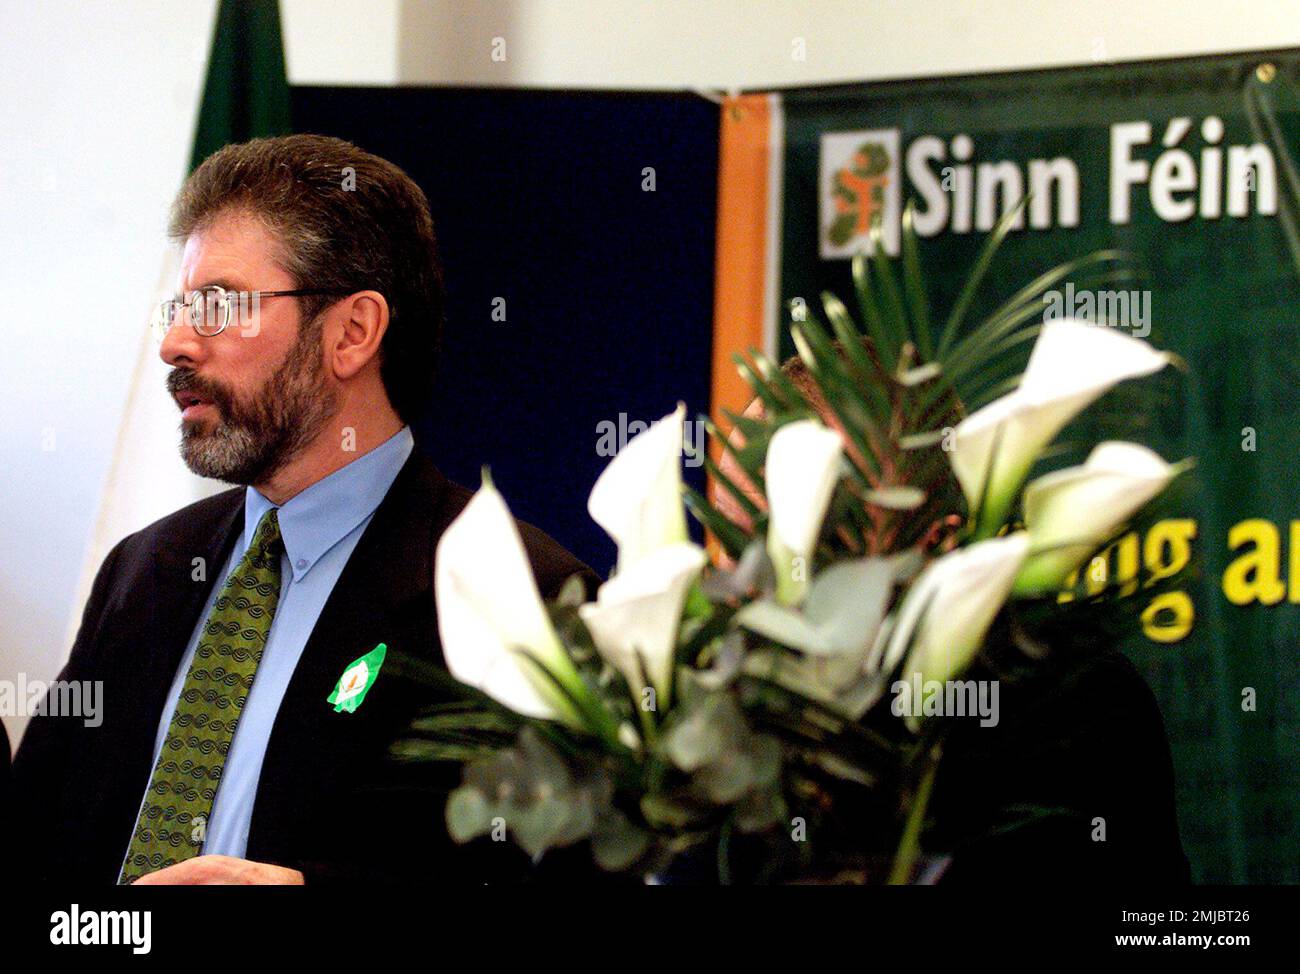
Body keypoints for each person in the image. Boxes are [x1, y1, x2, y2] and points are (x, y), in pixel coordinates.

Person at [11, 135, 596, 885]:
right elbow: (30, 847)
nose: (175, 344)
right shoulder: (144, 569)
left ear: (352, 333)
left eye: (219, 305)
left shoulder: (525, 603)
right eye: (181, 307)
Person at [712, 349, 1191, 883]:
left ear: (935, 541)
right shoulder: (711, 713)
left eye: (788, 539)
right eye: (727, 533)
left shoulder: (1073, 706)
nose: (742, 577)